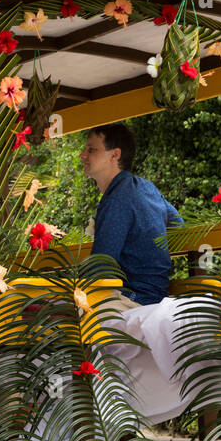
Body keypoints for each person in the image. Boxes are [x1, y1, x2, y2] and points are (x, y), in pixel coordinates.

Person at [81, 123, 183, 306]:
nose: (83, 155)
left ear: (115, 155)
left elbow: (100, 266)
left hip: (129, 301)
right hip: (157, 296)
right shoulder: (147, 188)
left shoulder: (117, 198)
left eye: (92, 150)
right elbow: (179, 225)